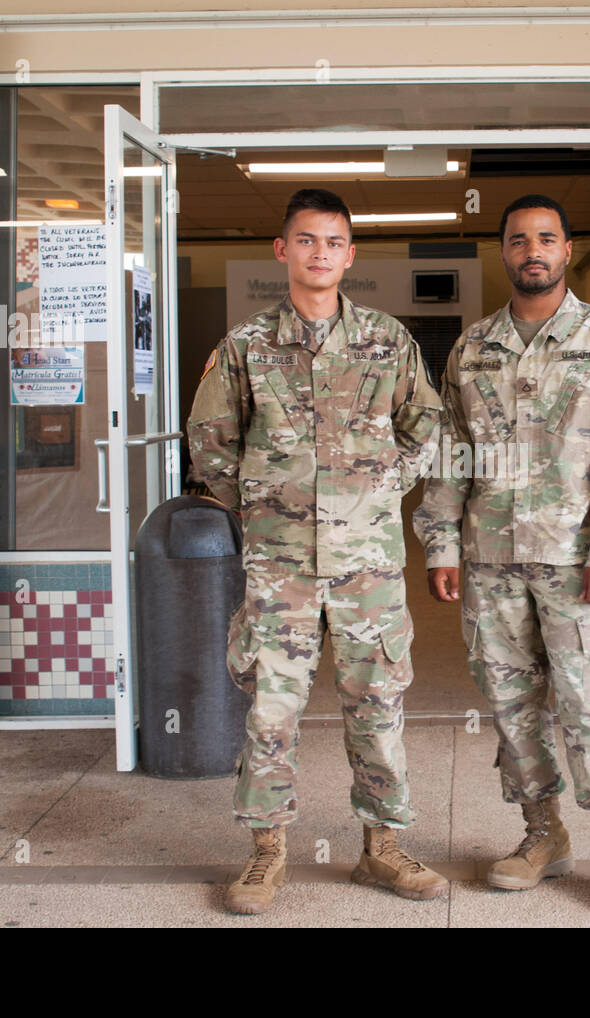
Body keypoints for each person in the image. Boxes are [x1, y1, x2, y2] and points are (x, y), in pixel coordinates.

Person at [187, 188, 447, 915]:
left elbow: (426, 424)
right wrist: (261, 502)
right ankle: (267, 852)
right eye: (305, 240)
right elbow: (208, 442)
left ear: (350, 254)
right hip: (281, 568)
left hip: (367, 563)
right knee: (273, 708)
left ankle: (384, 847)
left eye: (333, 242)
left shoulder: (386, 341)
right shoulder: (245, 346)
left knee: (378, 704)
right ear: (283, 251)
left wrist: (382, 485)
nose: (320, 253)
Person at [413, 194, 590, 914]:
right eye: (518, 240)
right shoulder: (472, 349)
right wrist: (440, 543)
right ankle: (542, 833)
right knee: (513, 708)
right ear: (504, 253)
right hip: (491, 561)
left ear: (567, 249)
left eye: (546, 238)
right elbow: (448, 456)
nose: (532, 250)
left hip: (579, 565)